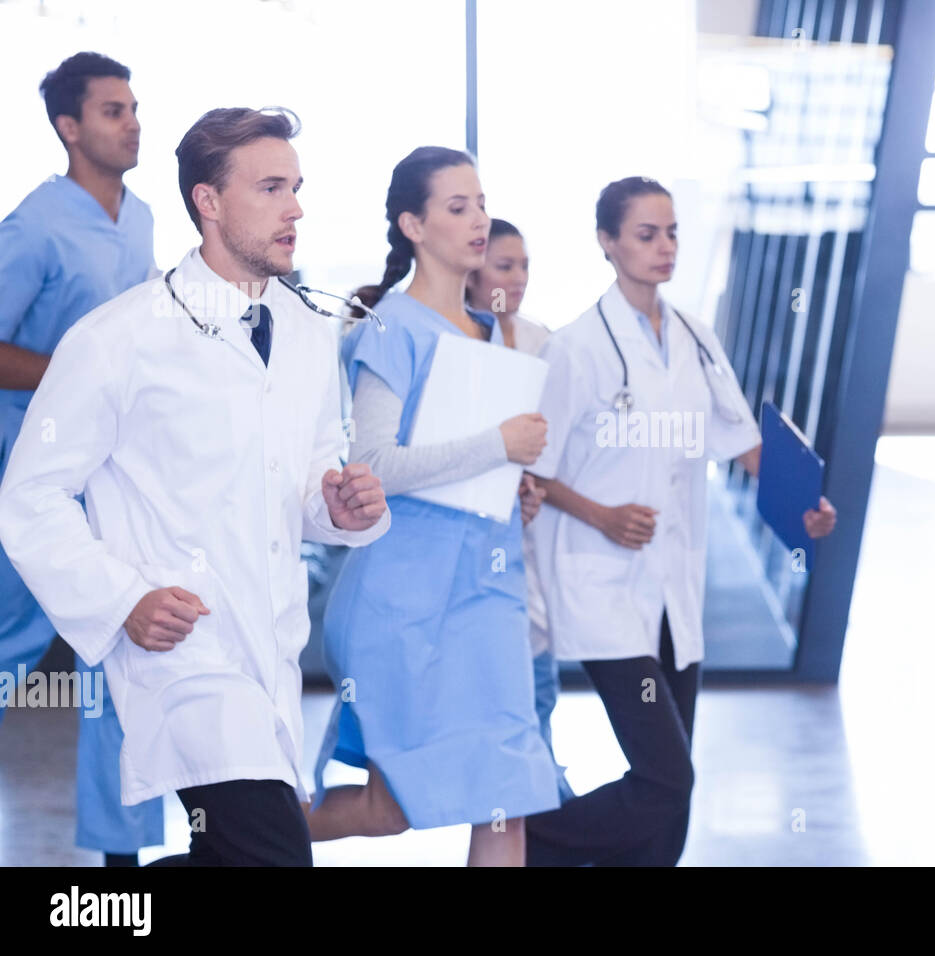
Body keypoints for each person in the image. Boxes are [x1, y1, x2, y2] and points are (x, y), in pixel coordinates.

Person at [0, 106, 391, 867]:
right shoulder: (118, 339)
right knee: (274, 855)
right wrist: (123, 600)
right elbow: (28, 497)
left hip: (271, 653)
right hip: (182, 653)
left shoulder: (307, 334)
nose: (296, 208)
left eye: (297, 187)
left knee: (236, 859)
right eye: (272, 187)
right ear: (208, 202)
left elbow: (305, 480)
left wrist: (338, 505)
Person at [523, 176, 837, 866]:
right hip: (601, 585)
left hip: (675, 586)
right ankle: (526, 839)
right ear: (607, 243)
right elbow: (534, 470)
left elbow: (741, 440)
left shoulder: (695, 335)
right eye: (646, 234)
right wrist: (602, 515)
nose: (664, 247)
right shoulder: (575, 347)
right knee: (668, 778)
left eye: (671, 233)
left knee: (671, 795)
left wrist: (804, 508)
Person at [305, 148, 560, 866]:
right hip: (405, 605)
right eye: (457, 208)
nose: (478, 220)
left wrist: (517, 484)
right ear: (412, 224)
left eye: (481, 203)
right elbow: (375, 463)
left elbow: (476, 466)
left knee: (507, 804)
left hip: (487, 600)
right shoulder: (392, 327)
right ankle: (240, 839)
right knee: (390, 814)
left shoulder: (492, 330)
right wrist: (498, 444)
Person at [0, 51, 164, 867]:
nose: (132, 122)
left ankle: (120, 856)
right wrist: (79, 384)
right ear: (70, 128)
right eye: (112, 111)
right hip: (30, 462)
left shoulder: (140, 221)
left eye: (133, 107)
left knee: (118, 645)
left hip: (114, 471)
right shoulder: (34, 225)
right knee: (10, 644)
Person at [465, 217, 574, 804]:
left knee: (539, 687)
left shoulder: (541, 341)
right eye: (505, 266)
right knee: (503, 696)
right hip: (474, 540)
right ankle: (543, 803)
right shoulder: (455, 342)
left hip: (530, 531)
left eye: (526, 265)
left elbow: (557, 446)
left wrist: (532, 487)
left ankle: (546, 799)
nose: (519, 278)